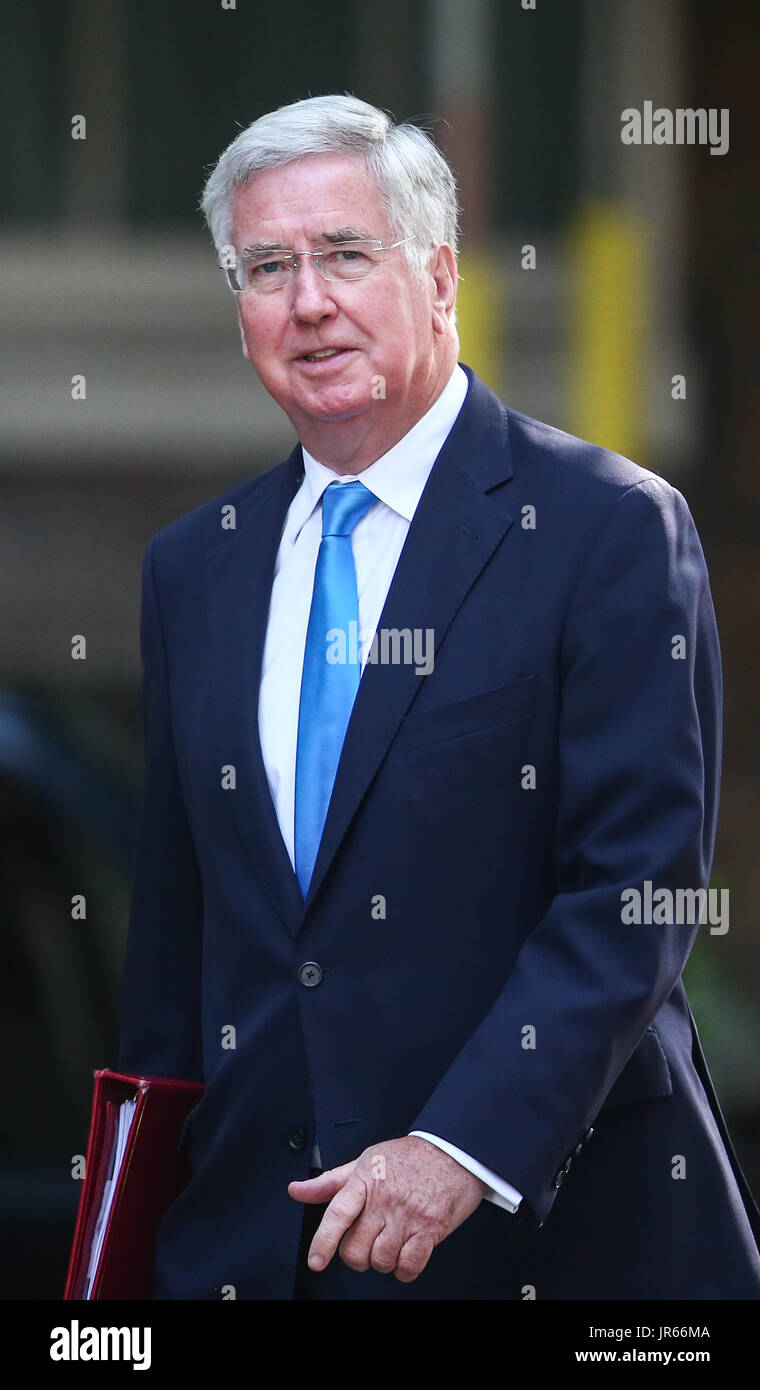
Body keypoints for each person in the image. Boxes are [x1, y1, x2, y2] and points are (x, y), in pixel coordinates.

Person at [117, 93, 760, 1300]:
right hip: (250, 1250)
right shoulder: (192, 567)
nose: (308, 300)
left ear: (440, 278)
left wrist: (454, 1147)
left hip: (538, 1244)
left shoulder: (606, 529)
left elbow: (639, 888)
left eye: (345, 255)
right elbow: (175, 950)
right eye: (267, 267)